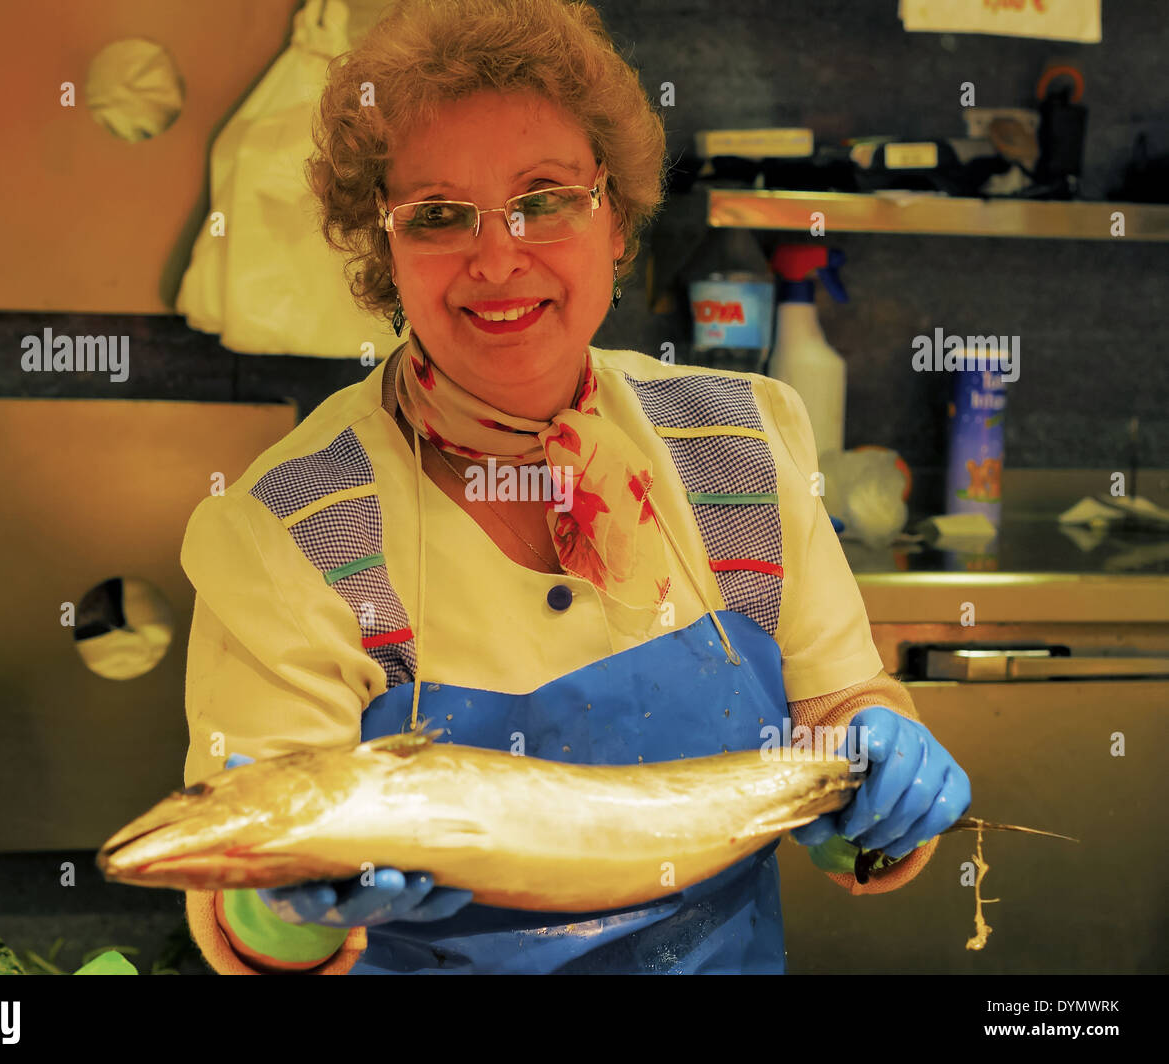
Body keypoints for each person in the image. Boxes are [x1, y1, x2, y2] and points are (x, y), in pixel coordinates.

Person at [178, 0, 970, 975]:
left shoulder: (744, 443)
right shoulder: (288, 529)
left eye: (545, 197)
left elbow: (837, 717)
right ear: (381, 249)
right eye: (436, 214)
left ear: (616, 214)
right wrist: (277, 911)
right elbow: (241, 883)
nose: (498, 256)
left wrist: (877, 793)